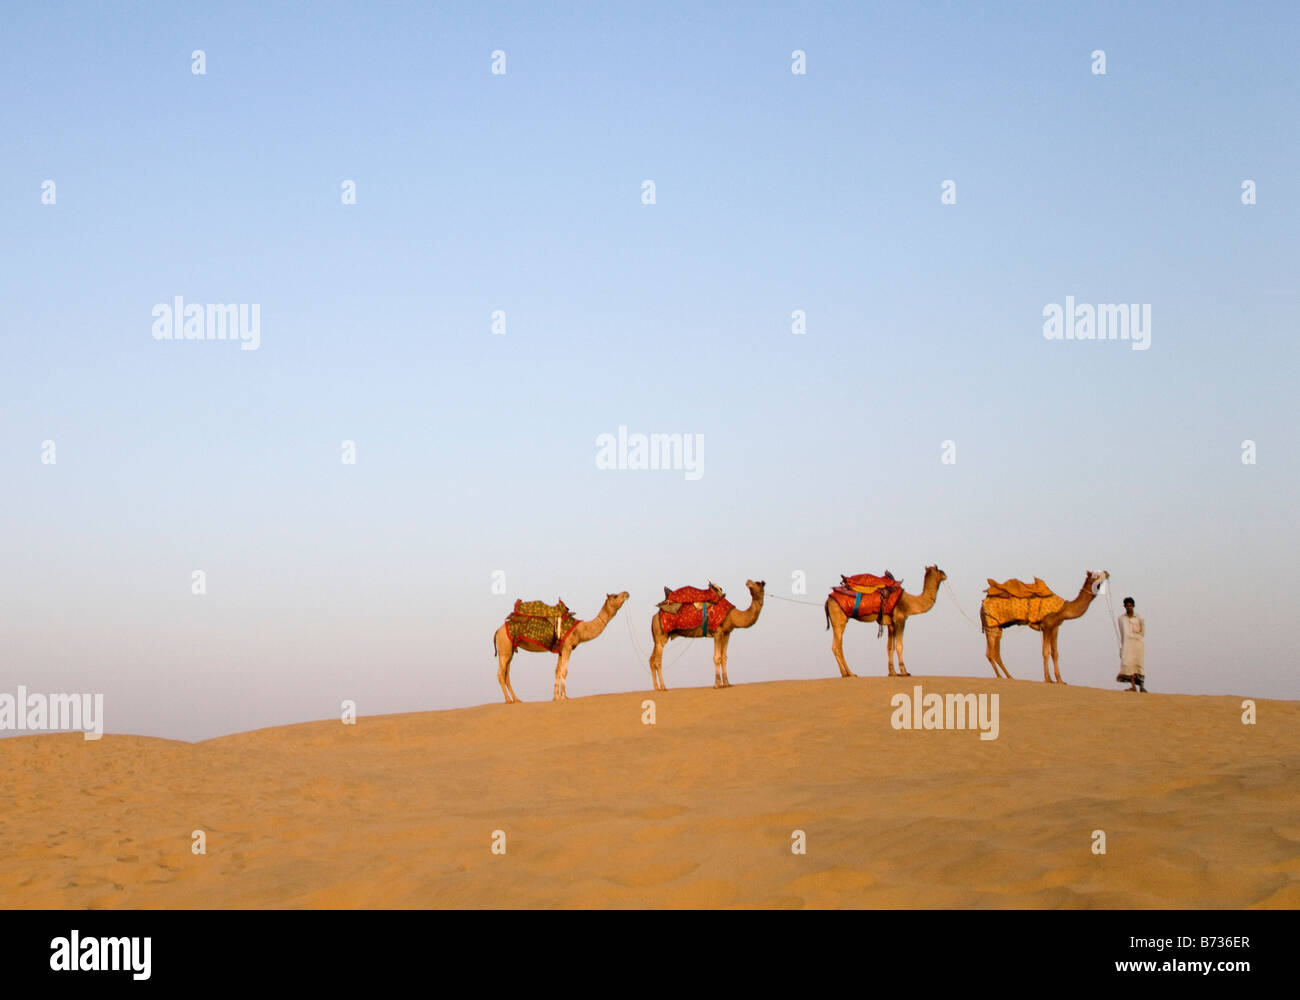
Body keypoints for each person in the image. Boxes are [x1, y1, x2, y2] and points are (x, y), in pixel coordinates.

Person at [1116, 597, 1146, 692]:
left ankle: (1141, 687)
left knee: (1139, 664)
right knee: (1128, 664)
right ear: (1124, 606)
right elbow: (1122, 632)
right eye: (1127, 606)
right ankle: (1133, 686)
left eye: (1130, 606)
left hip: (1137, 643)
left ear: (1133, 606)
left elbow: (1143, 632)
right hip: (1127, 644)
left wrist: (1136, 637)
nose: (1129, 607)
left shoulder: (1140, 618)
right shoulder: (1121, 619)